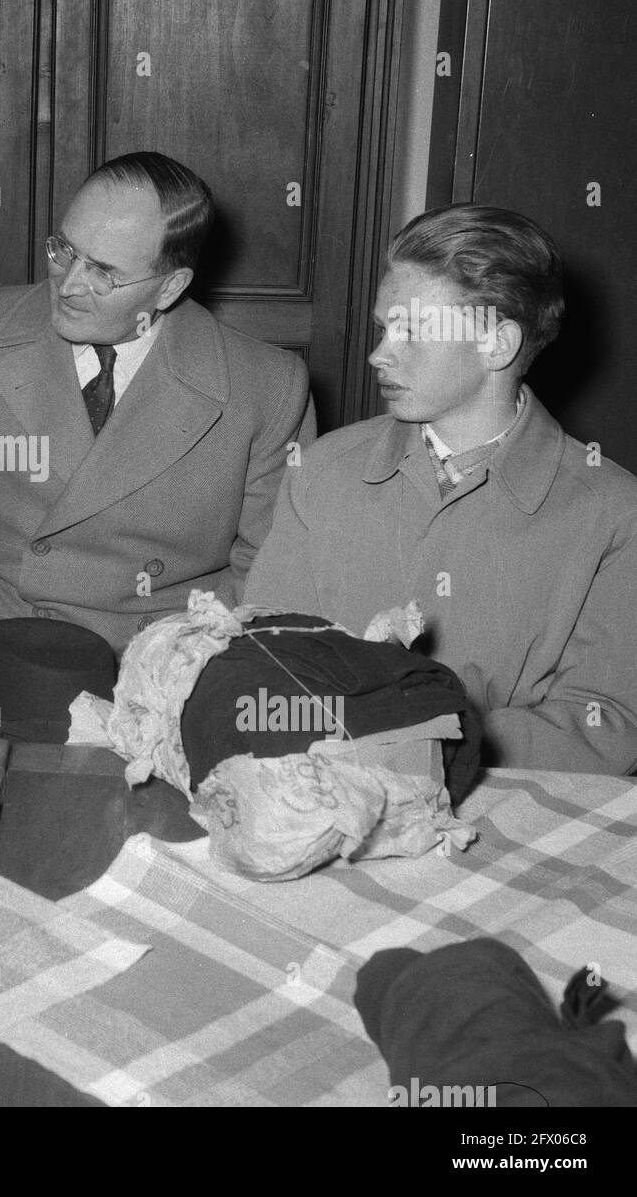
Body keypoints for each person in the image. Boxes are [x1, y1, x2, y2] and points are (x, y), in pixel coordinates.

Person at [0, 150, 314, 736]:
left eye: (103, 271)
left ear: (170, 286)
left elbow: (270, 574)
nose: (69, 284)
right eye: (64, 251)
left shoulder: (266, 387)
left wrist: (185, 664)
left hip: (155, 666)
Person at [246, 204, 637, 775]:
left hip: (511, 811)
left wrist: (428, 737)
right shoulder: (324, 469)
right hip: (315, 784)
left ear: (498, 345)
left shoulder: (613, 511)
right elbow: (265, 658)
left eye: (414, 329)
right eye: (385, 327)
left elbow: (605, 724)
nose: (380, 353)